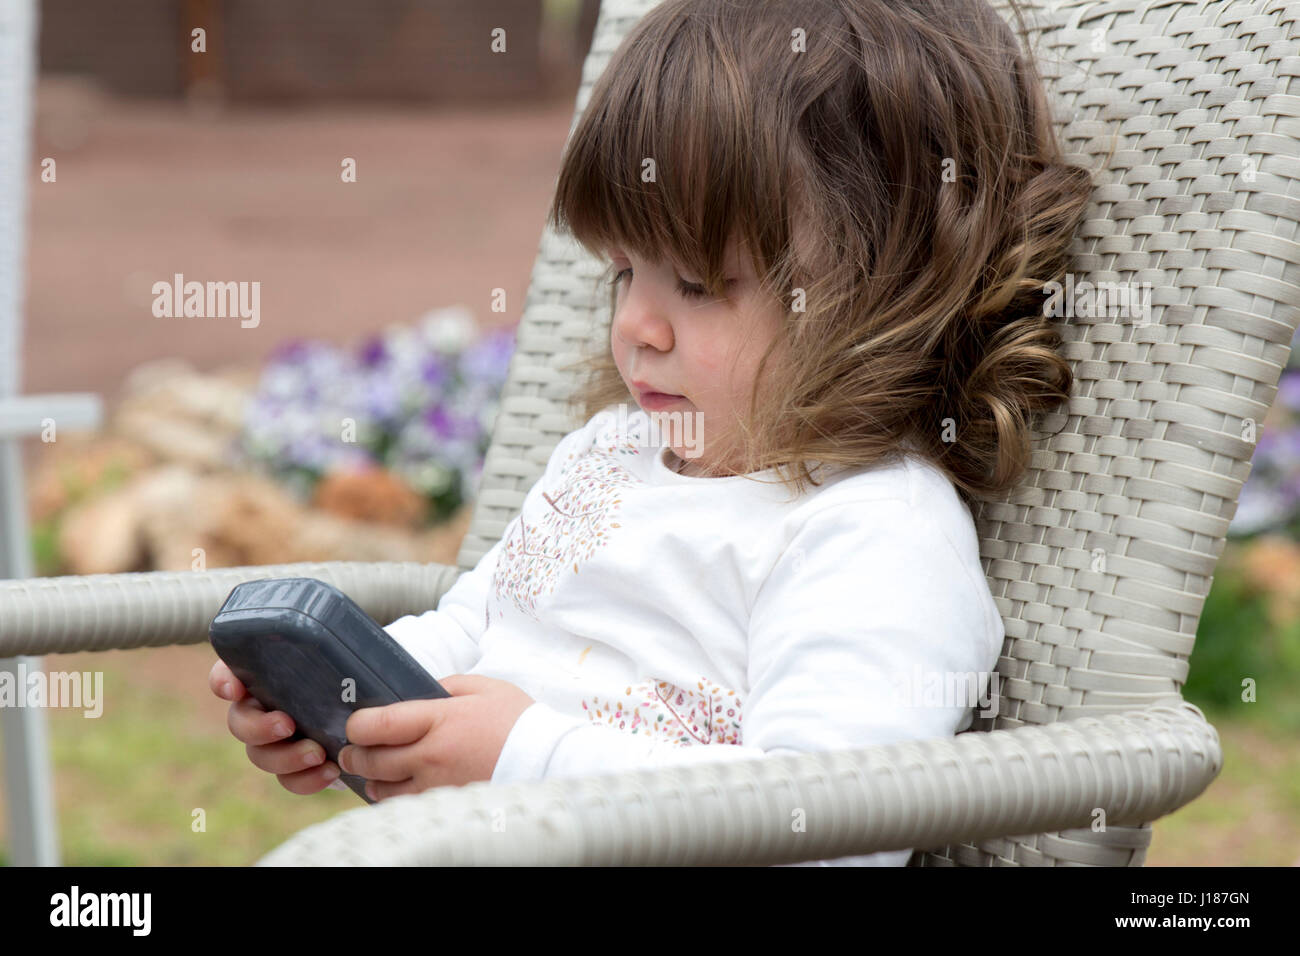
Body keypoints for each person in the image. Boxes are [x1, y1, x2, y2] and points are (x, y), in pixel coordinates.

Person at [210, 0, 1096, 865]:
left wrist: (524, 757)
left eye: (699, 285)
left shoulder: (873, 533)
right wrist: (354, 696)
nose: (637, 324)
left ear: (888, 290)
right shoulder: (609, 454)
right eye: (624, 271)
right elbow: (477, 624)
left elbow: (827, 830)